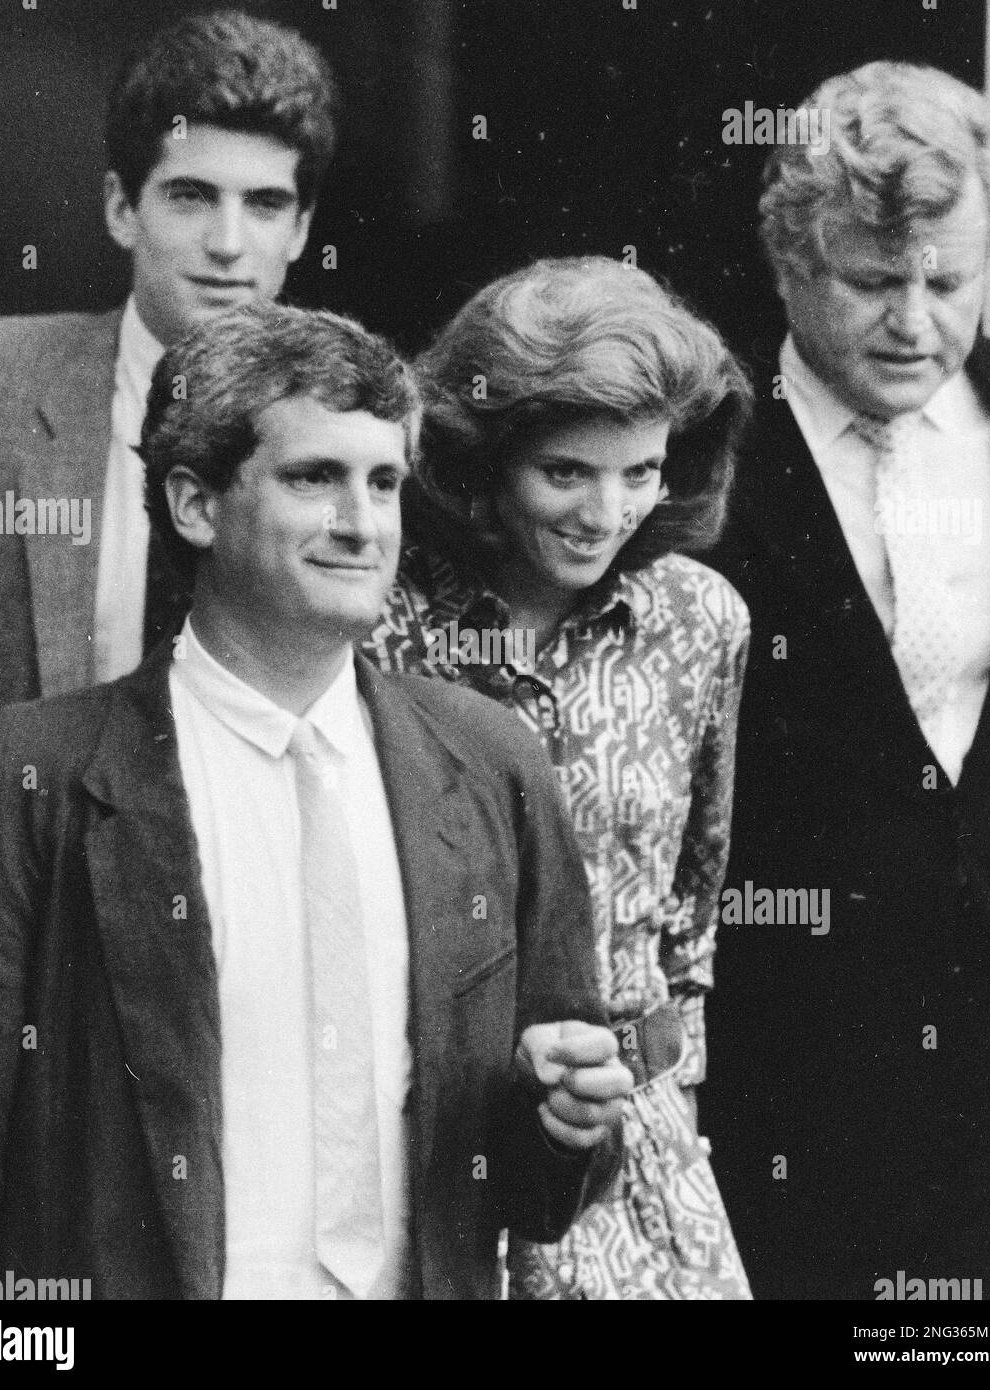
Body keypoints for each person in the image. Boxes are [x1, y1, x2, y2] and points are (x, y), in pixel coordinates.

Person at [0, 302, 633, 1301]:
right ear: (195, 504)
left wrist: (572, 1123)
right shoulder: (15, 780)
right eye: (315, 478)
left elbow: (541, 1182)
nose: (363, 523)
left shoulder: (490, 763)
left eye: (383, 482)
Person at [703, 60, 990, 1300]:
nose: (914, 322)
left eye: (947, 281)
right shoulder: (702, 456)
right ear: (792, 265)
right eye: (871, 279)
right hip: (790, 1046)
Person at [362, 255, 754, 1299]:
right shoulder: (380, 617)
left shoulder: (699, 620)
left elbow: (689, 916)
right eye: (567, 472)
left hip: (636, 1149)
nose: (608, 510)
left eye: (642, 471)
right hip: (431, 1146)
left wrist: (675, 1115)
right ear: (482, 461)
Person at [0, 8, 335, 755]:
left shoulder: (348, 440)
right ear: (121, 208)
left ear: (301, 231)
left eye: (265, 204)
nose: (227, 244)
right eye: (191, 196)